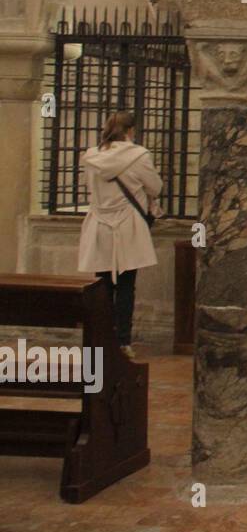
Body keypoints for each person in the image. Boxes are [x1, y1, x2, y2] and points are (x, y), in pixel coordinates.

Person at [77, 111, 162, 359]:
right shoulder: (139, 156)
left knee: (102, 286)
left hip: (100, 225)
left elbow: (88, 187)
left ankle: (99, 340)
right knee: (126, 287)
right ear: (130, 131)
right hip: (128, 226)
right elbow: (155, 187)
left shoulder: (93, 157)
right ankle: (122, 341)